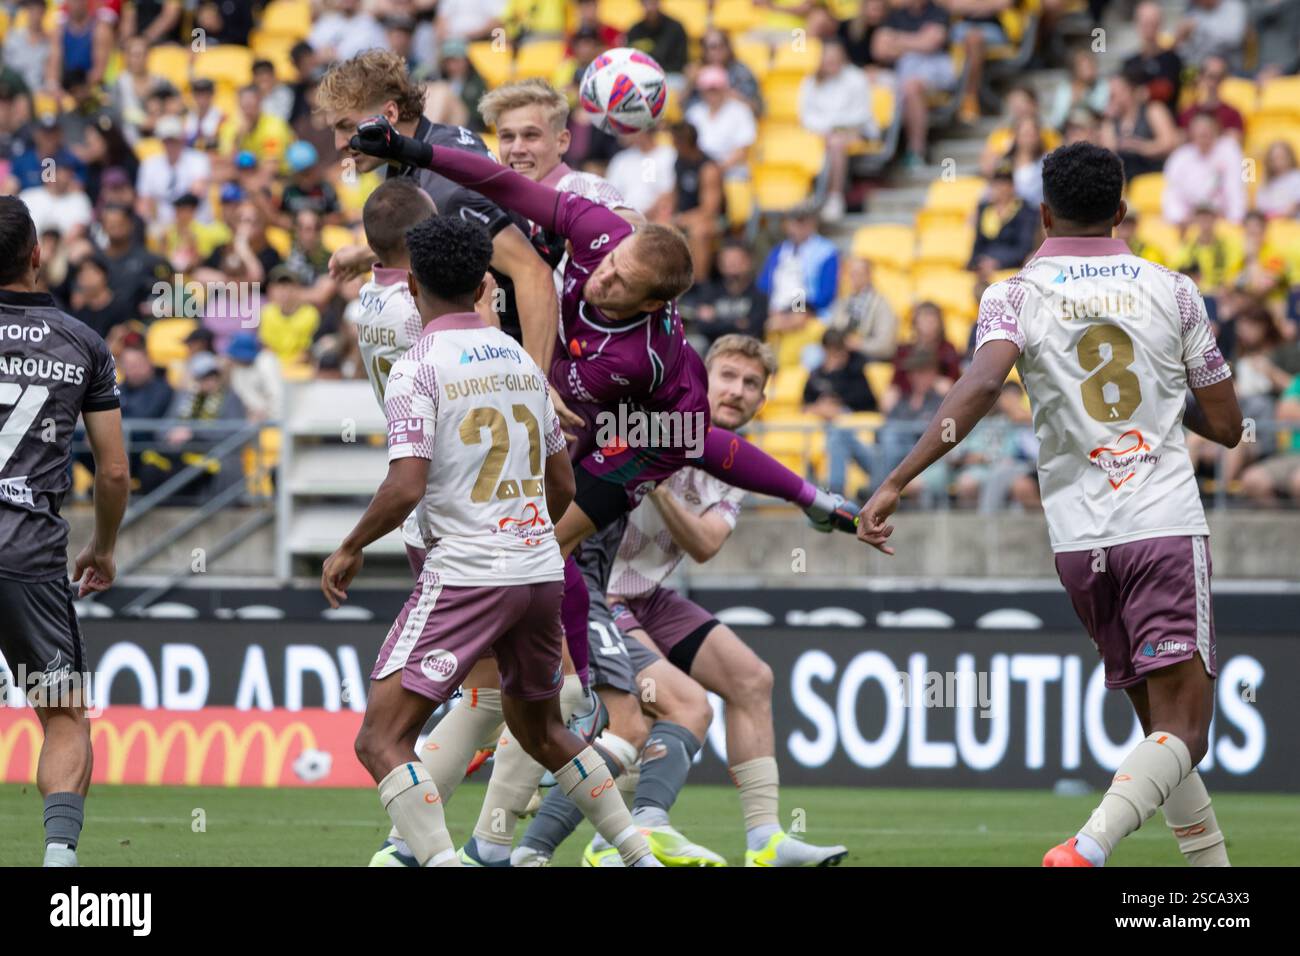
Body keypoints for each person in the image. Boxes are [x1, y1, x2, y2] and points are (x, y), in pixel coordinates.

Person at [858, 142, 1243, 869]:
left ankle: (1214, 887)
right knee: (1186, 734)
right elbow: (1225, 425)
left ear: (1042, 213)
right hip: (1161, 527)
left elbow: (976, 391)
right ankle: (1088, 849)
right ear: (1122, 211)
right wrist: (1165, 394)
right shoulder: (1174, 289)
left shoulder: (1014, 293)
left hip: (1079, 543)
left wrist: (896, 480)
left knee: (1159, 738)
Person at [320, 214, 660, 868]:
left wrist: (352, 544)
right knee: (542, 729)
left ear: (412, 285)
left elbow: (405, 486)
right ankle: (639, 856)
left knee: (381, 740)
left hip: (469, 571)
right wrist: (532, 530)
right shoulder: (523, 362)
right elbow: (561, 481)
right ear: (485, 284)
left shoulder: (417, 366)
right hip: (537, 571)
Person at [524, 336, 849, 868]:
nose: (737, 391)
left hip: (649, 594)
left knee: (752, 679)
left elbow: (703, 544)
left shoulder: (736, 462)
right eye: (727, 376)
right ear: (701, 377)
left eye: (751, 385)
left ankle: (766, 840)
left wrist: (656, 483)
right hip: (600, 592)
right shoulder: (663, 419)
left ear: (763, 402)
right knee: (675, 707)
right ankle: (598, 838)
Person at [0, 195, 129, 868]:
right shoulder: (83, 343)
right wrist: (103, 548)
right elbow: (112, 471)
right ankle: (57, 860)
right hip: (28, 554)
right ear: (37, 254)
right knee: (61, 712)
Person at [318, 50, 560, 379]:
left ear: (389, 113)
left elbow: (533, 273)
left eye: (346, 126)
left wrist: (536, 388)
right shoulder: (437, 141)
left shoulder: (445, 187)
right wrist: (368, 254)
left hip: (505, 362)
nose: (339, 143)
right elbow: (449, 229)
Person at [798, 38, 878, 222]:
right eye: (827, 60)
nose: (830, 64)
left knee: (835, 143)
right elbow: (806, 115)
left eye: (834, 60)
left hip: (855, 130)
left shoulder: (857, 78)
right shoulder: (810, 81)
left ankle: (834, 196)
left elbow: (861, 114)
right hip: (821, 132)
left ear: (842, 59)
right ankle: (807, 196)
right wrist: (824, 130)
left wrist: (831, 128)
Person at [871, 0, 956, 168]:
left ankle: (916, 151)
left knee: (911, 87)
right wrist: (918, 40)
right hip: (904, 68)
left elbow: (932, 43)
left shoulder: (937, 11)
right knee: (871, 80)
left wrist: (897, 40)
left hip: (935, 67)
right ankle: (876, 145)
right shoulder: (895, 16)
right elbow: (879, 50)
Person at [1162, 110, 1245, 226]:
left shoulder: (1230, 150)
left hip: (1222, 220)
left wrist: (1235, 220)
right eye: (1200, 134)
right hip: (1190, 220)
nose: (1204, 138)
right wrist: (1179, 219)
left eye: (1207, 133)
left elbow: (1236, 188)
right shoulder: (1179, 157)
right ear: (1192, 134)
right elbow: (1172, 194)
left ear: (1216, 131)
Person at [679, 241, 769, 347]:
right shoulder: (710, 291)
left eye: (737, 261)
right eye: (727, 261)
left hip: (746, 349)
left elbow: (753, 328)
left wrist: (715, 318)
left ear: (749, 262)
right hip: (713, 347)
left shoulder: (759, 294)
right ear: (720, 264)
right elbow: (702, 327)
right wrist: (736, 323)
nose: (732, 265)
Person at [1099, 63, 1179, 181]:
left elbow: (1169, 143)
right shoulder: (1111, 121)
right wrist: (1107, 120)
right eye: (1110, 95)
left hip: (1153, 176)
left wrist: (1139, 146)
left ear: (1129, 90)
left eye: (1114, 94)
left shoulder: (1153, 110)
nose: (1112, 98)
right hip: (1125, 180)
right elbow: (1108, 152)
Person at [969, 162, 1038, 271]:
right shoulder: (984, 209)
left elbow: (1024, 248)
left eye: (1005, 183)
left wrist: (998, 263)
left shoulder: (1025, 210)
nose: (1000, 188)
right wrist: (977, 262)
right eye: (996, 183)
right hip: (984, 265)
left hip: (1011, 267)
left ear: (1012, 187)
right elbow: (977, 246)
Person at [830, 257, 898, 360]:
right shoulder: (843, 301)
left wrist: (860, 344)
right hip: (842, 354)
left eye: (859, 274)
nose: (854, 278)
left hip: (866, 356)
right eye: (851, 274)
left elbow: (886, 345)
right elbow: (834, 328)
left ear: (869, 275)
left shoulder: (881, 304)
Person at [1122, 1, 1184, 110]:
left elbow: (1166, 90)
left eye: (1153, 23)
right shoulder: (1129, 62)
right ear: (1137, 24)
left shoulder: (1171, 59)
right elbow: (1122, 93)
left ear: (1160, 24)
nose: (1149, 28)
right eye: (1145, 23)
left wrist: (1141, 92)